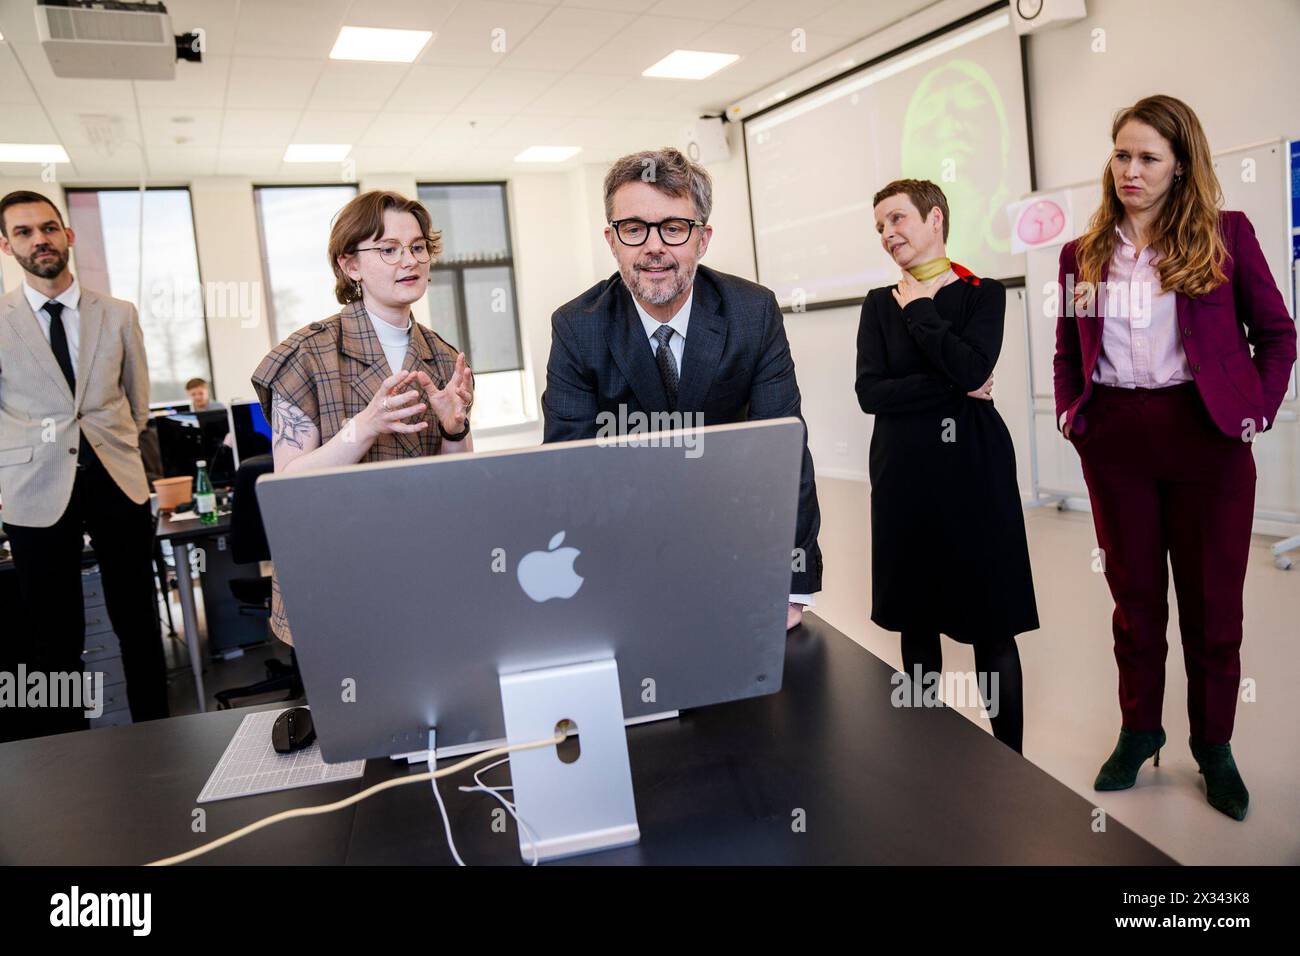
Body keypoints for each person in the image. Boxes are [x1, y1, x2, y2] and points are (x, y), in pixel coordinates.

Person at [1054, 95, 1296, 820]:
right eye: (1121, 154)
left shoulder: (1225, 236)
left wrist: (1253, 410)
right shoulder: (1083, 253)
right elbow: (1069, 349)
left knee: (1214, 607)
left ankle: (1214, 747)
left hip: (1208, 439)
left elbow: (1278, 334)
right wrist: (1073, 415)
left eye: (1148, 157)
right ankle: (1140, 730)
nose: (1130, 169)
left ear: (1181, 165)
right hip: (1117, 440)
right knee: (1134, 604)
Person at [542, 148, 822, 629]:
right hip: (623, 559)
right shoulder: (576, 327)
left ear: (703, 239)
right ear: (612, 240)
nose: (654, 246)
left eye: (674, 227)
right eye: (634, 228)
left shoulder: (752, 313)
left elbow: (786, 454)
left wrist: (791, 583)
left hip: (737, 548)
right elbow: (569, 469)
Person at [856, 179, 1038, 753]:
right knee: (916, 618)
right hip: (903, 479)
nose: (888, 234)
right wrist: (955, 381)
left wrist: (924, 315)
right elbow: (871, 393)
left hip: (975, 475)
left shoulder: (984, 293)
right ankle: (927, 754)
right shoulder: (876, 303)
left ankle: (1012, 760)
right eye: (880, 225)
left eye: (898, 219)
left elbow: (971, 367)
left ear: (935, 219)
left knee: (992, 624)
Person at [251, 190, 474, 645]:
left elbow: (458, 480)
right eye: (388, 250)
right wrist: (365, 426)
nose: (408, 261)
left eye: (417, 247)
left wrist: (456, 428)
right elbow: (287, 484)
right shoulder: (305, 355)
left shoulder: (443, 356)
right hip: (337, 570)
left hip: (422, 567)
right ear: (349, 265)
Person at [0, 189, 169, 738]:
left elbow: (138, 404)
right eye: (23, 232)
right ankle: (70, 757)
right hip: (34, 488)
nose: (39, 239)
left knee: (139, 622)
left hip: (115, 479)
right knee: (55, 636)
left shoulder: (117, 314)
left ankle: (156, 737)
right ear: (6, 245)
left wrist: (118, 445)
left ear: (68, 236)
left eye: (48, 228)